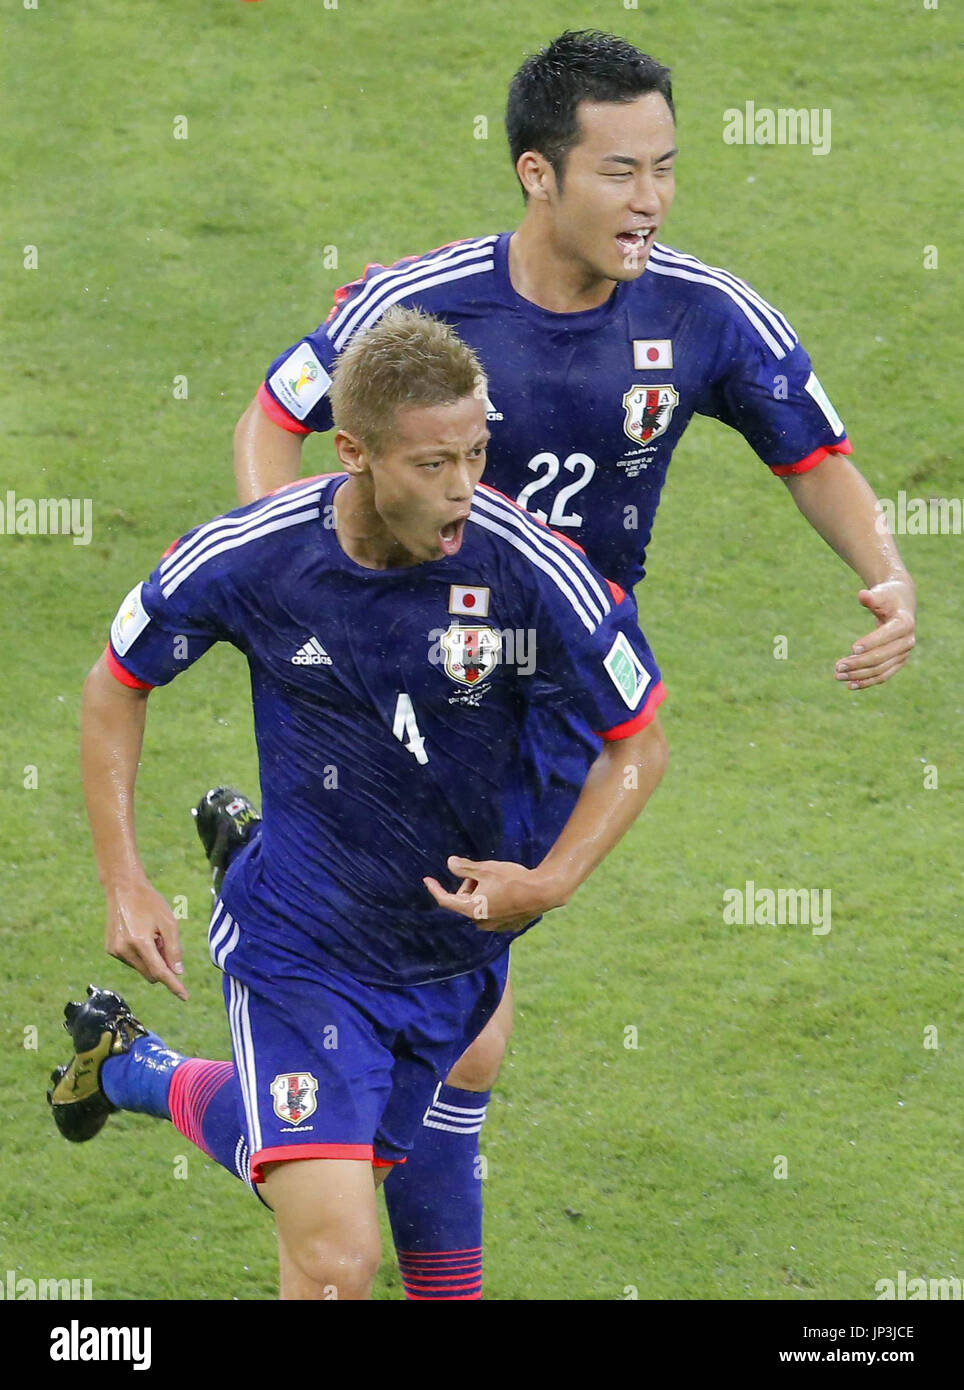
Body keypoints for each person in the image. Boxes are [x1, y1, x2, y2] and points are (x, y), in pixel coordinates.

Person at [229, 29, 917, 1292]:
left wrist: (882, 567)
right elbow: (275, 418)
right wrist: (295, 596)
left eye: (664, 168)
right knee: (451, 1020)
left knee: (450, 1032)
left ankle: (184, 1023)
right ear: (536, 175)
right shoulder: (425, 308)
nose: (648, 200)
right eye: (618, 171)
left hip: (563, 710)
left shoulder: (702, 312)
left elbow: (810, 455)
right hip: (407, 680)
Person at [50, 308, 668, 1301]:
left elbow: (640, 742)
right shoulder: (253, 555)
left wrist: (552, 880)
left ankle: (134, 1069)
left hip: (449, 961)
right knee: (337, 1259)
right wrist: (123, 880)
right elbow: (114, 683)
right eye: (431, 464)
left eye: (476, 452)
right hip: (301, 943)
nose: (463, 486)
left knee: (329, 1168)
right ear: (353, 453)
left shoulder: (528, 566)